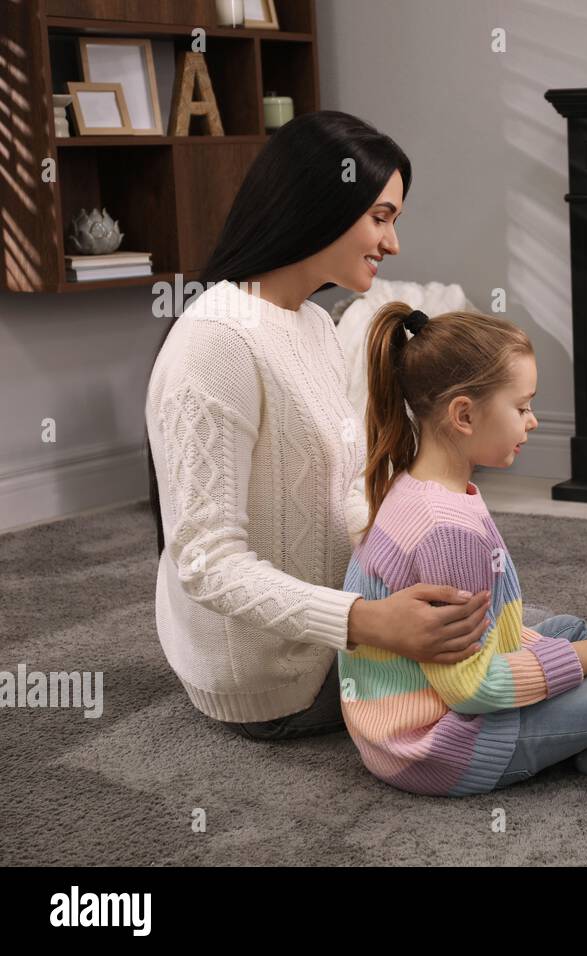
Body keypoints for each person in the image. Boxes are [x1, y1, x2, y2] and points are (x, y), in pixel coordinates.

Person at [146, 111, 491, 741]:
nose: (393, 244)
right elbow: (203, 561)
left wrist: (417, 555)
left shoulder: (312, 324)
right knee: (510, 660)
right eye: (381, 217)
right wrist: (370, 621)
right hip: (274, 680)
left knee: (517, 626)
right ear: (320, 202)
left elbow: (342, 492)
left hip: (342, 624)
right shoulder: (215, 343)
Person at [338, 304, 587, 794]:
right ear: (464, 414)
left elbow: (481, 635)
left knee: (571, 630)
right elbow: (468, 689)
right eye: (522, 407)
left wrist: (582, 651)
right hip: (437, 747)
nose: (532, 421)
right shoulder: (447, 532)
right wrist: (586, 660)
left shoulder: (419, 484)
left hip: (420, 707)